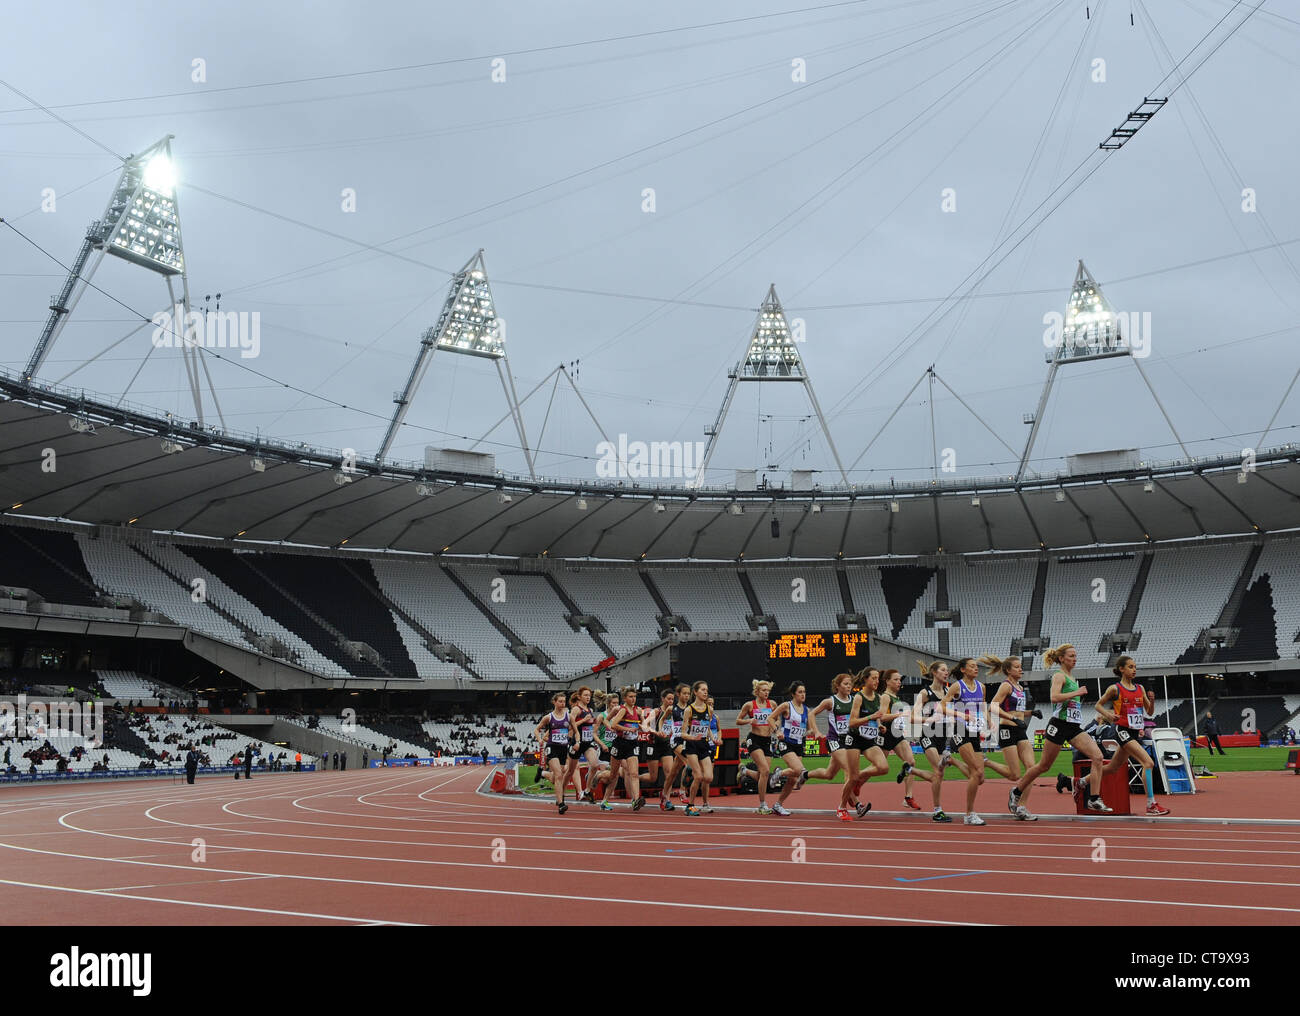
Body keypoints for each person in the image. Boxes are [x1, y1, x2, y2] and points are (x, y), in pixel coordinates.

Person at [1009, 644, 1113, 815]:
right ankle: (1016, 791)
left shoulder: (1072, 678)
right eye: (1071, 656)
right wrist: (1076, 693)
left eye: (1075, 656)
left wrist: (1076, 694)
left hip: (1073, 727)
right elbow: (1054, 697)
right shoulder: (1059, 676)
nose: (1075, 658)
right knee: (1044, 766)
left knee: (1098, 756)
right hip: (1058, 725)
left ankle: (1093, 798)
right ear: (1062, 658)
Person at [1094, 656, 1171, 816]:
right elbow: (1098, 705)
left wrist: (1152, 700)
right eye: (1130, 667)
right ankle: (1151, 805)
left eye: (1135, 666)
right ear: (1121, 669)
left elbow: (1149, 712)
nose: (1134, 669)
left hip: (1135, 733)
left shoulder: (1140, 688)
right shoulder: (1115, 689)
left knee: (1112, 768)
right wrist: (1109, 716)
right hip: (1122, 730)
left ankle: (1080, 782)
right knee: (1148, 763)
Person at [985, 654, 1042, 820]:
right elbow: (993, 707)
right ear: (1009, 670)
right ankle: (986, 762)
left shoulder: (1020, 688)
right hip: (1007, 730)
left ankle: (1021, 807)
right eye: (1017, 667)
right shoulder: (1006, 686)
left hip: (1020, 730)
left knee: (1032, 770)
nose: (1021, 669)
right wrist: (1013, 719)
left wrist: (1031, 713)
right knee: (1014, 775)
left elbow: (1017, 710)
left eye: (1021, 666)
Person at [937, 658, 989, 826]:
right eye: (972, 666)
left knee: (980, 777)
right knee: (975, 772)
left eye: (976, 666)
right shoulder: (957, 686)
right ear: (964, 670)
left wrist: (988, 720)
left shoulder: (982, 687)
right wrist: (961, 715)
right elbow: (942, 707)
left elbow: (982, 706)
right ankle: (969, 814)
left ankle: (950, 759)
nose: (976, 669)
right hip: (960, 731)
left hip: (974, 732)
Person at [806, 673, 865, 821]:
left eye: (850, 684)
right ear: (837, 686)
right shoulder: (830, 702)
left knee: (829, 774)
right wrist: (816, 731)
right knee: (850, 771)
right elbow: (812, 714)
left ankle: (805, 775)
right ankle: (848, 806)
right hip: (835, 740)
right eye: (845, 684)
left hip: (849, 741)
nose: (848, 686)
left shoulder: (855, 701)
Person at [914, 661, 967, 823]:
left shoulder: (948, 691)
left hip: (943, 736)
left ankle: (910, 770)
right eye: (943, 670)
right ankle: (937, 811)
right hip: (928, 734)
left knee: (940, 772)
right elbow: (912, 716)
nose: (946, 673)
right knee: (938, 770)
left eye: (947, 671)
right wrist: (929, 718)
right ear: (934, 672)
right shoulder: (925, 693)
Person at [876, 668, 935, 811]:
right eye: (895, 680)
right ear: (887, 681)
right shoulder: (885, 697)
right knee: (878, 768)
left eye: (899, 680)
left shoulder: (896, 697)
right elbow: (882, 716)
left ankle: (908, 797)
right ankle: (857, 782)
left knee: (911, 762)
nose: (898, 682)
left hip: (897, 735)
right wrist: (900, 715)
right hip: (885, 735)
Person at [766, 681, 818, 816]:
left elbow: (807, 729)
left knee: (794, 778)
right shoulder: (786, 706)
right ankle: (778, 773)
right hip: (786, 742)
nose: (803, 694)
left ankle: (778, 805)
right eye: (800, 692)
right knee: (798, 770)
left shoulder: (807, 710)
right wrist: (777, 732)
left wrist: (811, 732)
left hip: (799, 744)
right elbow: (770, 718)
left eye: (804, 692)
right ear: (794, 694)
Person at [735, 679, 778, 815]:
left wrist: (775, 726)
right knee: (765, 771)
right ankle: (762, 804)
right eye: (764, 690)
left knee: (762, 775)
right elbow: (738, 720)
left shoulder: (772, 704)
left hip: (767, 740)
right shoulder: (749, 705)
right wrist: (749, 720)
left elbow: (777, 718)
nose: (766, 693)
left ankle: (745, 771)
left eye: (768, 691)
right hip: (754, 740)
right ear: (757, 691)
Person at [600, 687, 645, 812]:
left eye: (634, 696)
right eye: (630, 697)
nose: (633, 699)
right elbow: (612, 724)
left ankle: (636, 800)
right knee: (613, 775)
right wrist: (626, 729)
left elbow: (644, 725)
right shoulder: (622, 710)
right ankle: (604, 800)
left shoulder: (638, 710)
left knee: (634, 773)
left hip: (632, 744)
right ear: (625, 698)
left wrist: (643, 725)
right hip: (620, 744)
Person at [535, 691, 576, 814]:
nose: (562, 704)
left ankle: (542, 773)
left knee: (556, 778)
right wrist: (540, 740)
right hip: (552, 748)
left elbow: (574, 729)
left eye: (564, 701)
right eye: (560, 701)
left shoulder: (568, 716)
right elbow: (537, 730)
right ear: (554, 702)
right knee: (558, 775)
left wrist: (574, 739)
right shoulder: (548, 717)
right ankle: (561, 803)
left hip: (563, 748)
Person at [679, 681, 716, 816]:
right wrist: (691, 737)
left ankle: (690, 770)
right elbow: (682, 732)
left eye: (707, 690)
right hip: (691, 745)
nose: (705, 692)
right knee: (699, 776)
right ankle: (690, 805)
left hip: (703, 745)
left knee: (709, 777)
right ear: (695, 692)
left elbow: (707, 729)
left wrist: (713, 738)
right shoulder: (689, 710)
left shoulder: (709, 709)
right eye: (703, 690)